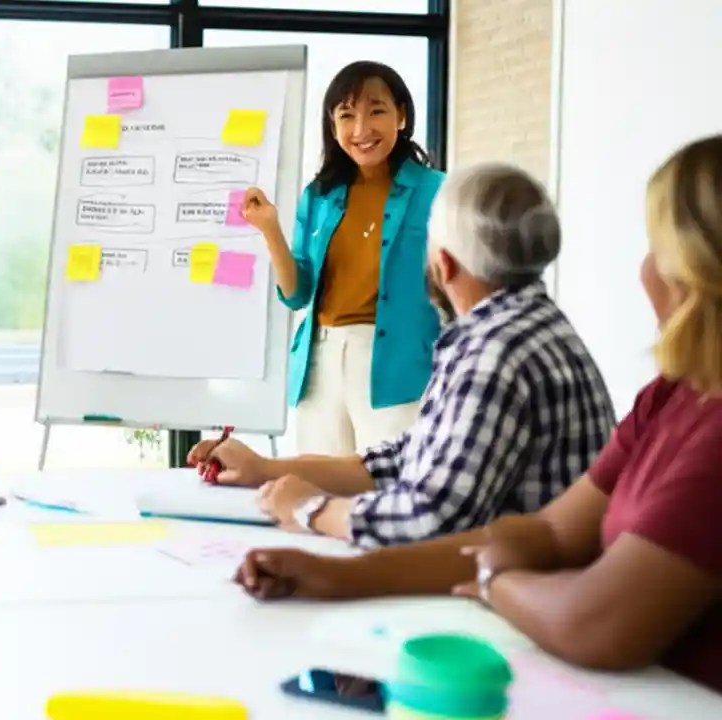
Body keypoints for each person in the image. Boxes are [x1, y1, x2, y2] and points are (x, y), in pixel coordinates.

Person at [233, 136, 722, 694]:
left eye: (657, 249)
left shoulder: (499, 348)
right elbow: (546, 531)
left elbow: (592, 621)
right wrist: (332, 570)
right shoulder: (672, 394)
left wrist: (494, 579)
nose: (644, 272)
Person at [193, 163, 615, 547]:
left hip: (513, 596)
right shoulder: (524, 326)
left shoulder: (494, 354)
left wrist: (312, 509)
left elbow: (432, 517)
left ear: (443, 263)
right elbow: (404, 459)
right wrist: (266, 470)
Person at [240, 61, 446, 455]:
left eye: (376, 111)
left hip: (399, 363)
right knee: (318, 490)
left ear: (401, 115)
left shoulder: (439, 190)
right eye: (346, 115)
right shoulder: (319, 195)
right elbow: (297, 294)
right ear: (332, 126)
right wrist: (270, 229)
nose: (361, 130)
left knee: (391, 487)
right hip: (321, 361)